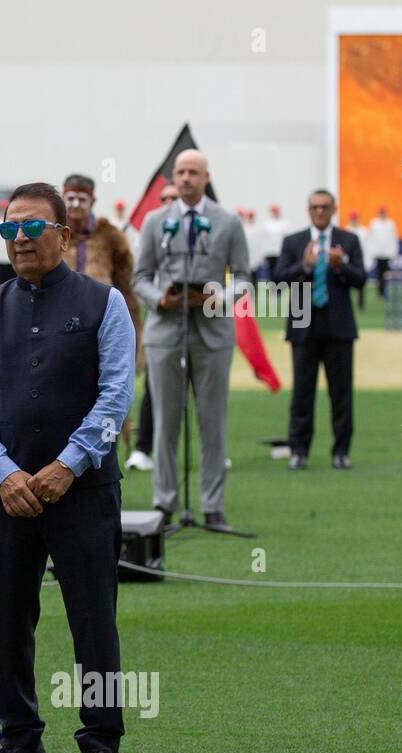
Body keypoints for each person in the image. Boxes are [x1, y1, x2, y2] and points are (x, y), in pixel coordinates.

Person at [0, 182, 135, 753]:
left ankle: (102, 739)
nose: (20, 240)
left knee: (93, 615)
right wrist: (4, 473)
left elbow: (115, 397)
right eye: (10, 230)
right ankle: (19, 741)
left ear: (64, 234)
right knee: (9, 618)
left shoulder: (105, 303)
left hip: (82, 491)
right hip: (7, 494)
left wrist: (68, 465)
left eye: (32, 228)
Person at [133, 149, 250, 530]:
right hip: (166, 331)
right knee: (166, 421)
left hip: (212, 332)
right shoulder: (154, 222)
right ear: (173, 177)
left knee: (212, 422)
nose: (186, 178)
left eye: (193, 173)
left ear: (205, 177)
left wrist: (222, 296)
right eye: (180, 172)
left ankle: (212, 507)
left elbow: (246, 277)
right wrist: (159, 299)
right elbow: (140, 278)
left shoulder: (227, 222)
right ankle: (165, 503)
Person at [274, 189, 364, 470]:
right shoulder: (294, 241)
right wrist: (305, 265)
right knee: (302, 392)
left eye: (325, 207)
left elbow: (361, 280)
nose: (320, 211)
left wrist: (342, 265)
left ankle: (341, 451)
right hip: (303, 324)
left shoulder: (348, 241)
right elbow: (279, 279)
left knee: (341, 393)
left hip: (338, 326)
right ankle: (299, 450)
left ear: (334, 209)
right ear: (308, 210)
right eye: (315, 207)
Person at [59, 174, 142, 463]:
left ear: (92, 200)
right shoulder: (54, 235)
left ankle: (106, 460)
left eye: (82, 199)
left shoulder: (110, 236)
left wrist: (133, 330)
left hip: (104, 324)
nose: (76, 204)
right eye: (70, 198)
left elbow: (126, 284)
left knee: (110, 392)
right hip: (62, 329)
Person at [127, 182, 182, 473]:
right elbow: (139, 277)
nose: (168, 202)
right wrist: (159, 298)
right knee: (153, 387)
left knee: (200, 390)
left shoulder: (201, 232)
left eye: (173, 198)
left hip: (197, 322)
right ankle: (143, 449)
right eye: (164, 198)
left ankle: (210, 451)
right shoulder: (149, 233)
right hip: (161, 320)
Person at [368, 206, 400, 300]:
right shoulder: (374, 223)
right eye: (381, 212)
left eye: (383, 212)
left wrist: (394, 251)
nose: (382, 214)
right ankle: (379, 291)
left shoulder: (390, 223)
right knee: (378, 273)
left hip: (387, 252)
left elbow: (394, 237)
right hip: (378, 252)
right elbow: (371, 238)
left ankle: (384, 290)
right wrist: (371, 251)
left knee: (386, 273)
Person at [346, 210, 371, 309]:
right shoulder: (346, 230)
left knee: (361, 282)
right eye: (352, 219)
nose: (354, 220)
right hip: (349, 261)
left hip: (361, 260)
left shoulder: (364, 231)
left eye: (355, 218)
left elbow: (368, 247)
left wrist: (368, 260)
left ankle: (361, 303)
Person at [260, 204, 287, 279]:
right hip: (270, 253)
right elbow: (263, 240)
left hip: (280, 252)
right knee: (271, 273)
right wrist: (262, 254)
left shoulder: (284, 223)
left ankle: (279, 289)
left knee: (280, 272)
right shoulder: (266, 224)